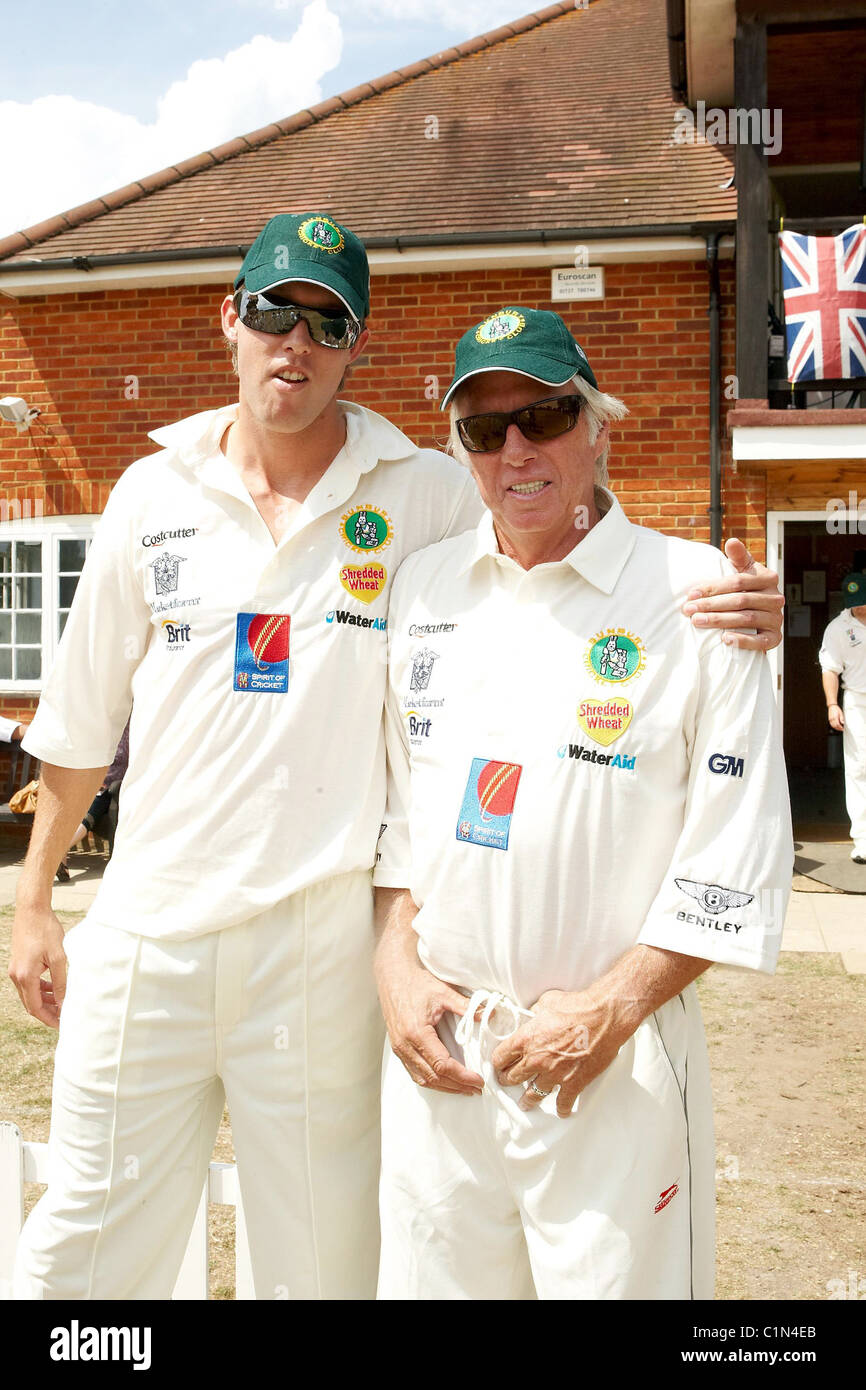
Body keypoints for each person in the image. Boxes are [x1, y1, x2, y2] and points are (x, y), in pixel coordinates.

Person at [8, 215, 783, 1302]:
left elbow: (563, 532)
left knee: (325, 1268)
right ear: (229, 317)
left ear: (357, 344)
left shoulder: (420, 489)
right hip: (158, 930)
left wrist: (736, 597)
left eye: (326, 319)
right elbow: (83, 719)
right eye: (274, 309)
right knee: (84, 1254)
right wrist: (37, 892)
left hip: (321, 949)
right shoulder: (161, 497)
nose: (296, 340)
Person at [373, 308, 793, 1300]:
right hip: (445, 1056)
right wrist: (392, 965)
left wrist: (610, 1007)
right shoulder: (419, 589)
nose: (514, 448)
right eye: (483, 429)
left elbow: (730, 856)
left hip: (611, 1060)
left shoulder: (696, 593)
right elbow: (396, 817)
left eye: (543, 413)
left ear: (596, 423)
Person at [819, 572, 866, 864]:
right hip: (857, 701)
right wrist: (831, 704)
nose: (859, 609)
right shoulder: (838, 628)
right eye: (855, 604)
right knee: (860, 767)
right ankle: (863, 839)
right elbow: (830, 669)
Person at [56, 721, 130, 882]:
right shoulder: (97, 726)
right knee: (79, 806)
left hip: (109, 789)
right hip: (87, 785)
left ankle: (58, 852)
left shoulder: (128, 730)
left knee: (94, 805)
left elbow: (122, 761)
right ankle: (60, 856)